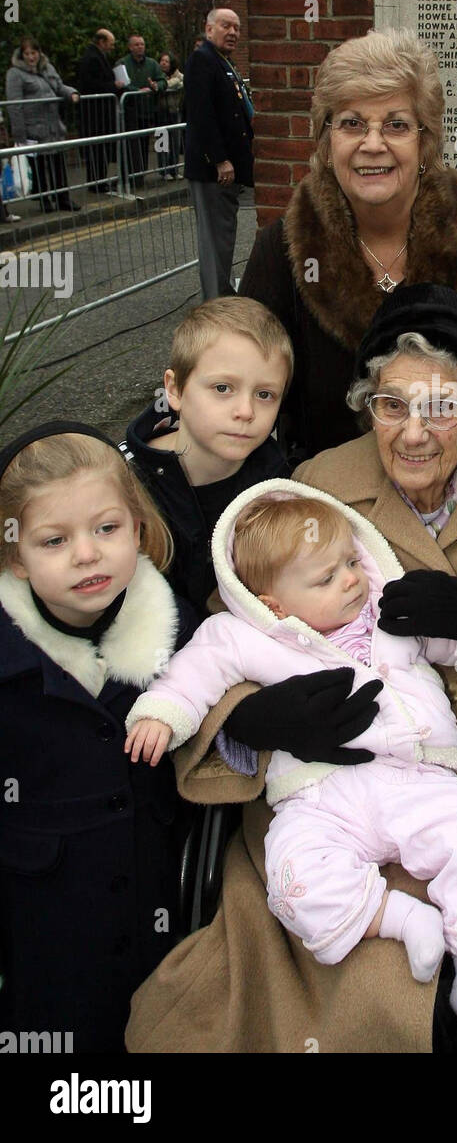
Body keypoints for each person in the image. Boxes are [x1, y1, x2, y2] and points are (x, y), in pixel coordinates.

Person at [125, 284, 457, 1054]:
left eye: (441, 407)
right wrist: (251, 725)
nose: (415, 432)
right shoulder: (310, 490)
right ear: (366, 406)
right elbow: (229, 632)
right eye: (393, 405)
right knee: (383, 994)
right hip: (331, 780)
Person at [126, 484, 457, 1037]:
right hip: (320, 794)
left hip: (418, 774)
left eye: (351, 561)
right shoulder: (242, 635)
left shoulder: (391, 613)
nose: (351, 579)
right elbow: (194, 675)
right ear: (272, 604)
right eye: (326, 578)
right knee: (294, 875)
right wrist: (161, 714)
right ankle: (398, 918)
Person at [239, 26, 457, 462]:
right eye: (352, 123)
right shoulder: (284, 248)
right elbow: (237, 377)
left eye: (396, 125)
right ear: (326, 139)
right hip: (330, 508)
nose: (372, 144)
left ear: (425, 140)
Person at [0, 423, 199, 1052]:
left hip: (164, 923)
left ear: (138, 528)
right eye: (54, 540)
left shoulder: (181, 633)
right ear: (13, 555)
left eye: (107, 529)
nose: (87, 555)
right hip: (47, 947)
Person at [121, 297, 291, 619]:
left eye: (264, 394)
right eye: (223, 388)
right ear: (175, 390)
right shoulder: (124, 481)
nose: (245, 411)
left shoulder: (275, 480)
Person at [183, 7, 254, 300]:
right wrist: (220, 160)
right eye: (226, 26)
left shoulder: (223, 61)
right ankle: (215, 303)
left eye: (237, 27)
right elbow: (202, 115)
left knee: (224, 237)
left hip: (227, 169)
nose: (233, 33)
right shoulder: (203, 60)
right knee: (215, 240)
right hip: (213, 170)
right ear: (209, 28)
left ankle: (221, 293)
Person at [4, 37, 80, 213]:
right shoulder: (15, 74)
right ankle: (44, 200)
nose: (31, 57)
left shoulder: (47, 68)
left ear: (39, 53)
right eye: (27, 54)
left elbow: (59, 86)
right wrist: (20, 134)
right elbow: (14, 105)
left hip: (53, 126)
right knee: (39, 168)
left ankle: (63, 198)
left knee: (58, 164)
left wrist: (72, 93)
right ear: (22, 55)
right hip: (33, 129)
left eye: (34, 53)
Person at [76, 28, 124, 192]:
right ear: (101, 42)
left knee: (100, 147)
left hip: (100, 111)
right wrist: (114, 86)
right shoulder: (92, 59)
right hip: (95, 112)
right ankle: (96, 182)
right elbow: (92, 85)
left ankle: (100, 180)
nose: (112, 47)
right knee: (96, 147)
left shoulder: (97, 56)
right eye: (111, 43)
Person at [117, 35, 165, 191]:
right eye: (136, 44)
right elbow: (121, 84)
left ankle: (140, 175)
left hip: (147, 111)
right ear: (130, 47)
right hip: (130, 111)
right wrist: (137, 91)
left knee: (144, 145)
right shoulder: (122, 63)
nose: (140, 47)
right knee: (131, 145)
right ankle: (130, 177)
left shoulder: (152, 63)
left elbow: (162, 80)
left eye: (142, 44)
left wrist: (156, 86)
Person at [155, 52, 184, 180]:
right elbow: (157, 86)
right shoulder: (157, 75)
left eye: (166, 61)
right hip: (161, 111)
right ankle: (164, 170)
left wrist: (167, 85)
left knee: (175, 142)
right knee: (162, 142)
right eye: (162, 60)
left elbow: (181, 81)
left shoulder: (178, 75)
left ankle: (174, 169)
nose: (164, 63)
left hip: (174, 110)